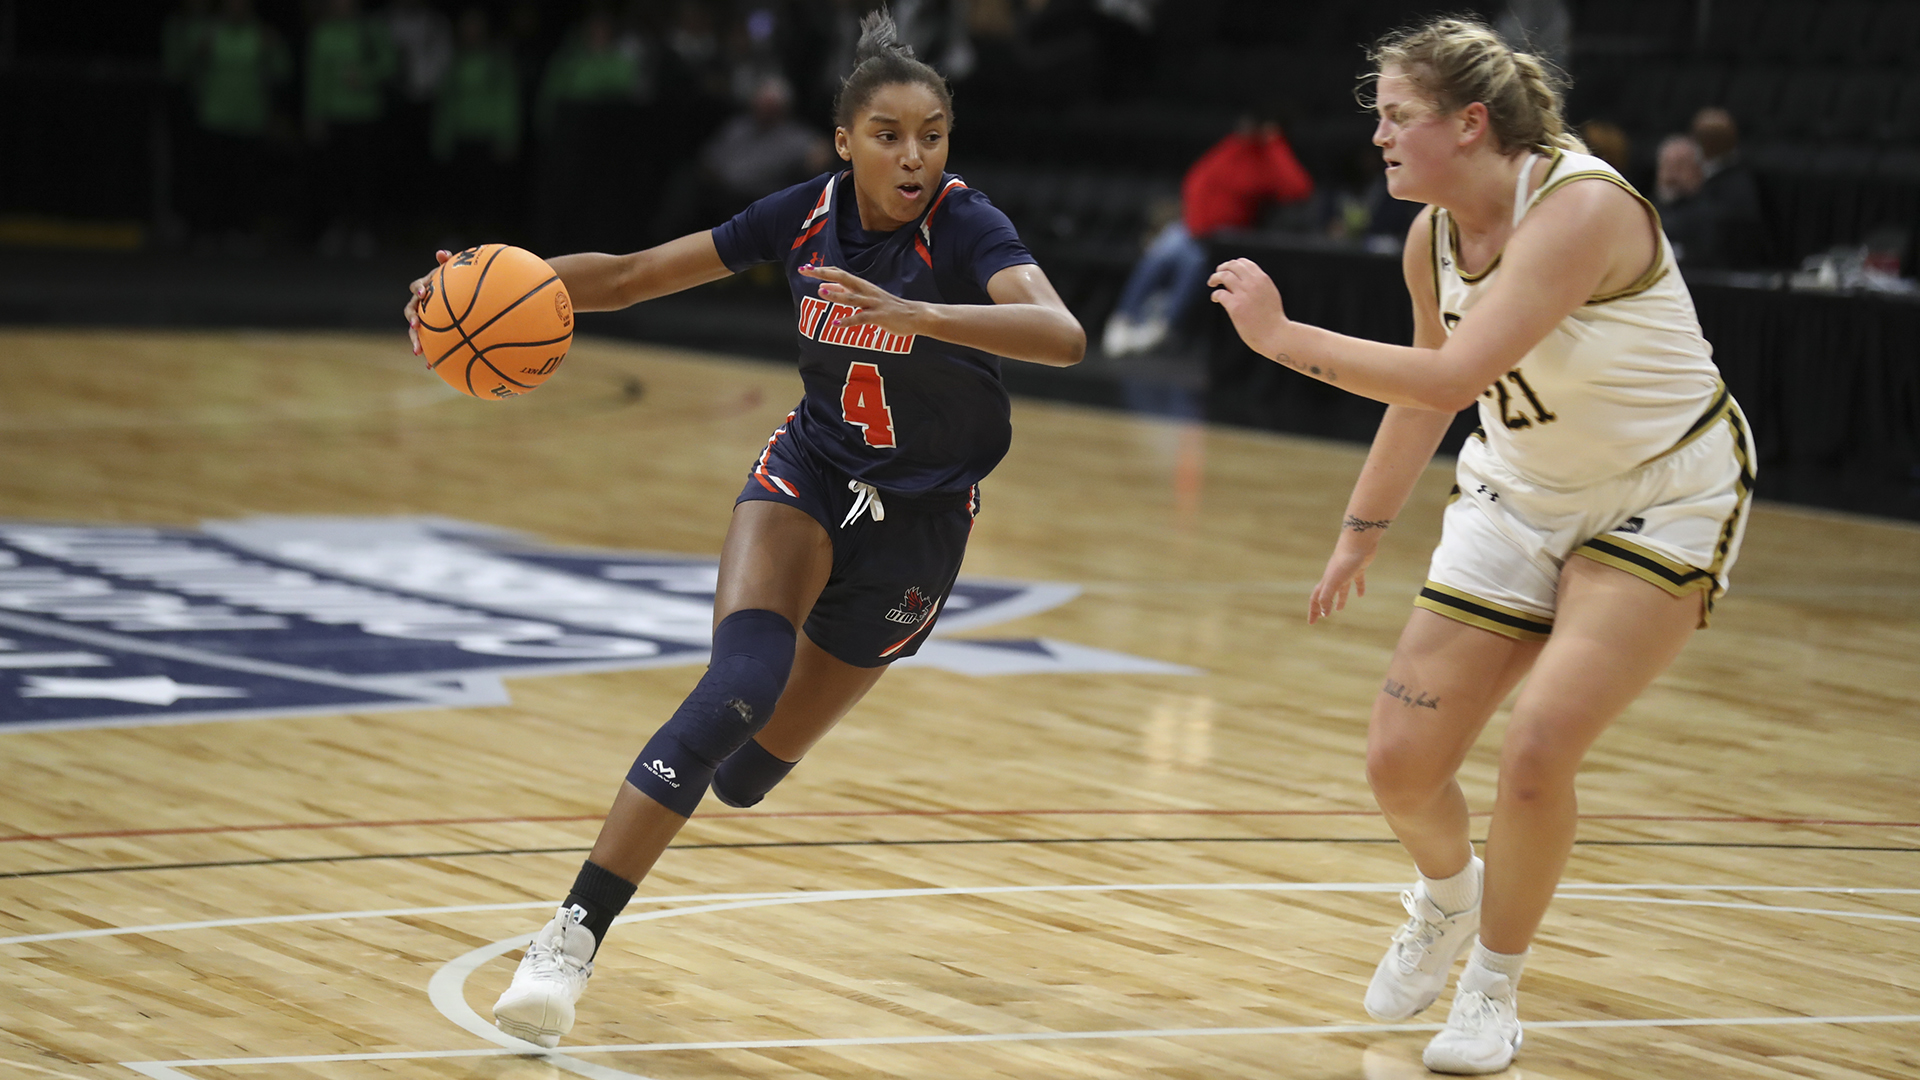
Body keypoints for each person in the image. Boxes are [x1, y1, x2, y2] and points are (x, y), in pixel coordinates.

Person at [403, 8, 1084, 1049]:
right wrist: (484, 285)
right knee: (735, 687)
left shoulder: (966, 226)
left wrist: (930, 316)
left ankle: (720, 769)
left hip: (921, 526)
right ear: (845, 139)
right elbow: (630, 276)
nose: (914, 156)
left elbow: (1062, 335)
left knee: (749, 773)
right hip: (810, 472)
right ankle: (568, 938)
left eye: (933, 135)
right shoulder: (803, 214)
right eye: (891, 135)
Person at [1209, 17, 1752, 1075]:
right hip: (1518, 488)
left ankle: (1493, 991)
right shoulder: (1432, 238)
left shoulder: (1581, 207)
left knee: (1542, 746)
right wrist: (1359, 533)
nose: (1379, 138)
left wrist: (1282, 338)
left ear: (1470, 123)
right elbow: (1426, 400)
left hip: (1662, 495)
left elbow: (1451, 381)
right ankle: (1449, 901)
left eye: (1397, 117)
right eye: (1378, 118)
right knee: (1399, 766)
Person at [1103, 108, 1313, 356]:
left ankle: (1162, 329)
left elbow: (1299, 189)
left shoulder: (1268, 159)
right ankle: (1123, 320)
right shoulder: (1234, 148)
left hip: (1223, 239)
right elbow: (1198, 179)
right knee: (1161, 252)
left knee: (1194, 263)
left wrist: (1274, 143)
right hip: (1189, 229)